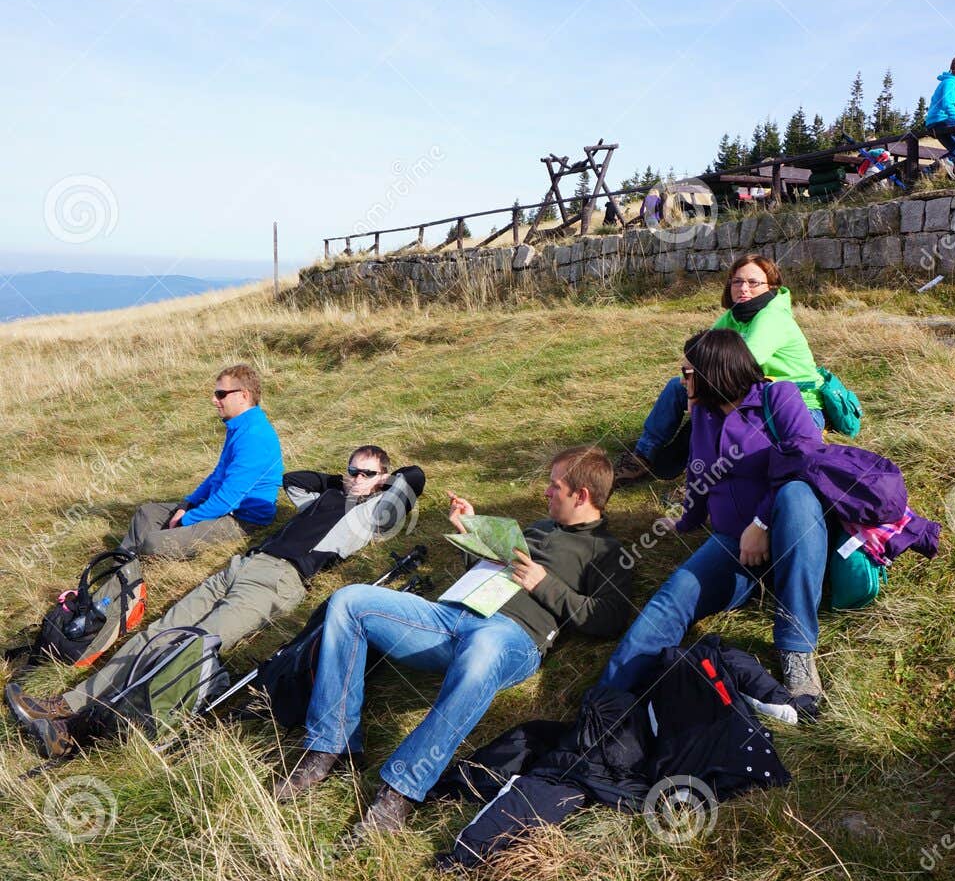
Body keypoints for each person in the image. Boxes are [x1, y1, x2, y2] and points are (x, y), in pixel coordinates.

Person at [274, 445, 633, 840]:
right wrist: (472, 532)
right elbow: (490, 569)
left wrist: (544, 584)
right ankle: (331, 744)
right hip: (449, 615)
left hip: (509, 637)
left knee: (482, 652)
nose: (545, 492)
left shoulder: (608, 552)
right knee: (349, 601)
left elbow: (610, 618)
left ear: (581, 496)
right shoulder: (538, 529)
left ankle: (401, 790)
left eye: (555, 486)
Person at [6, 447, 425, 760]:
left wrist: (376, 487)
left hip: (278, 580)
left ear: (382, 478)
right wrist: (340, 481)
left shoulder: (370, 518)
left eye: (366, 472)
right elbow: (295, 480)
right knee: (158, 632)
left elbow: (416, 476)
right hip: (240, 567)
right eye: (352, 468)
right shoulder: (327, 496)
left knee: (190, 647)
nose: (355, 477)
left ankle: (77, 732)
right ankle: (67, 703)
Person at [601, 329, 828, 703]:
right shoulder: (704, 415)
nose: (681, 380)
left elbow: (807, 462)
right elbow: (700, 474)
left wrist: (761, 524)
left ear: (714, 372)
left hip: (794, 535)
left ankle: (796, 649)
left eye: (687, 372)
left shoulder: (779, 397)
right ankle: (607, 700)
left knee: (797, 493)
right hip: (734, 545)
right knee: (673, 597)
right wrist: (687, 520)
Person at [613, 256, 825, 484]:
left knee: (710, 401)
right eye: (737, 282)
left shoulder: (773, 317)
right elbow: (697, 354)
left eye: (753, 282)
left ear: (770, 287)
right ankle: (644, 456)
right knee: (678, 386)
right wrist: (693, 379)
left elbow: (740, 366)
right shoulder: (734, 316)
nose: (744, 288)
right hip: (750, 392)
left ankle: (703, 473)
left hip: (793, 409)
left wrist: (698, 391)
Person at [119, 364, 283, 561]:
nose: (214, 400)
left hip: (242, 521)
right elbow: (217, 475)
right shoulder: (239, 427)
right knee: (147, 513)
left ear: (244, 395)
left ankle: (129, 578)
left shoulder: (253, 436)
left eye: (221, 394)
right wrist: (187, 503)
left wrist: (185, 520)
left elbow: (228, 499)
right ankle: (118, 569)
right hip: (221, 509)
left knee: (154, 543)